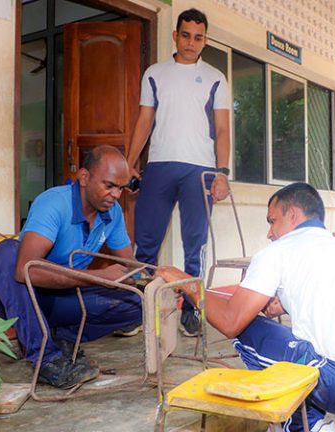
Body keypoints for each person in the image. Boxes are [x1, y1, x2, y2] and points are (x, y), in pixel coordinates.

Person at [157, 183, 335, 432]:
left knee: (250, 329)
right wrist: (286, 304)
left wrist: (189, 283)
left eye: (272, 221)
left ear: (293, 214)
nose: (270, 233)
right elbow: (333, 301)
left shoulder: (277, 252)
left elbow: (230, 320)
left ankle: (309, 425)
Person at [0, 146, 143, 389]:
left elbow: (131, 266)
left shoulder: (113, 213)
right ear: (84, 178)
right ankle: (46, 360)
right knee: (7, 253)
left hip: (65, 297)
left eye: (121, 188)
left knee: (138, 303)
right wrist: (101, 276)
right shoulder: (54, 203)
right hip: (26, 298)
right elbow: (25, 271)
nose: (116, 195)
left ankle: (63, 338)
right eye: (109, 185)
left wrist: (157, 279)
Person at [126, 8, 231, 337]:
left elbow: (223, 129)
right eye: (185, 35)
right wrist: (130, 162)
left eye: (198, 37)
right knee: (145, 241)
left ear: (205, 40)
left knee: (194, 245)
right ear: (175, 35)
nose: (191, 42)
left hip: (200, 170)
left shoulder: (216, 78)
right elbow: (144, 120)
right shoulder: (155, 73)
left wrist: (222, 172)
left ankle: (191, 310)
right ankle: (136, 311)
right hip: (158, 166)